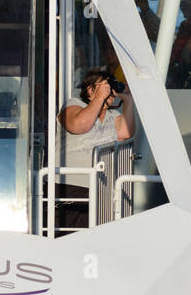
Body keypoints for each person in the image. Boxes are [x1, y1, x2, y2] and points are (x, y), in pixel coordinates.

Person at [55, 67, 134, 232]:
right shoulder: (73, 104)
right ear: (90, 90)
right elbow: (79, 125)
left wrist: (128, 101)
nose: (108, 92)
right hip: (68, 186)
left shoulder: (112, 115)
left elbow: (125, 132)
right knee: (67, 237)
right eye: (104, 86)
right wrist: (99, 98)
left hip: (99, 189)